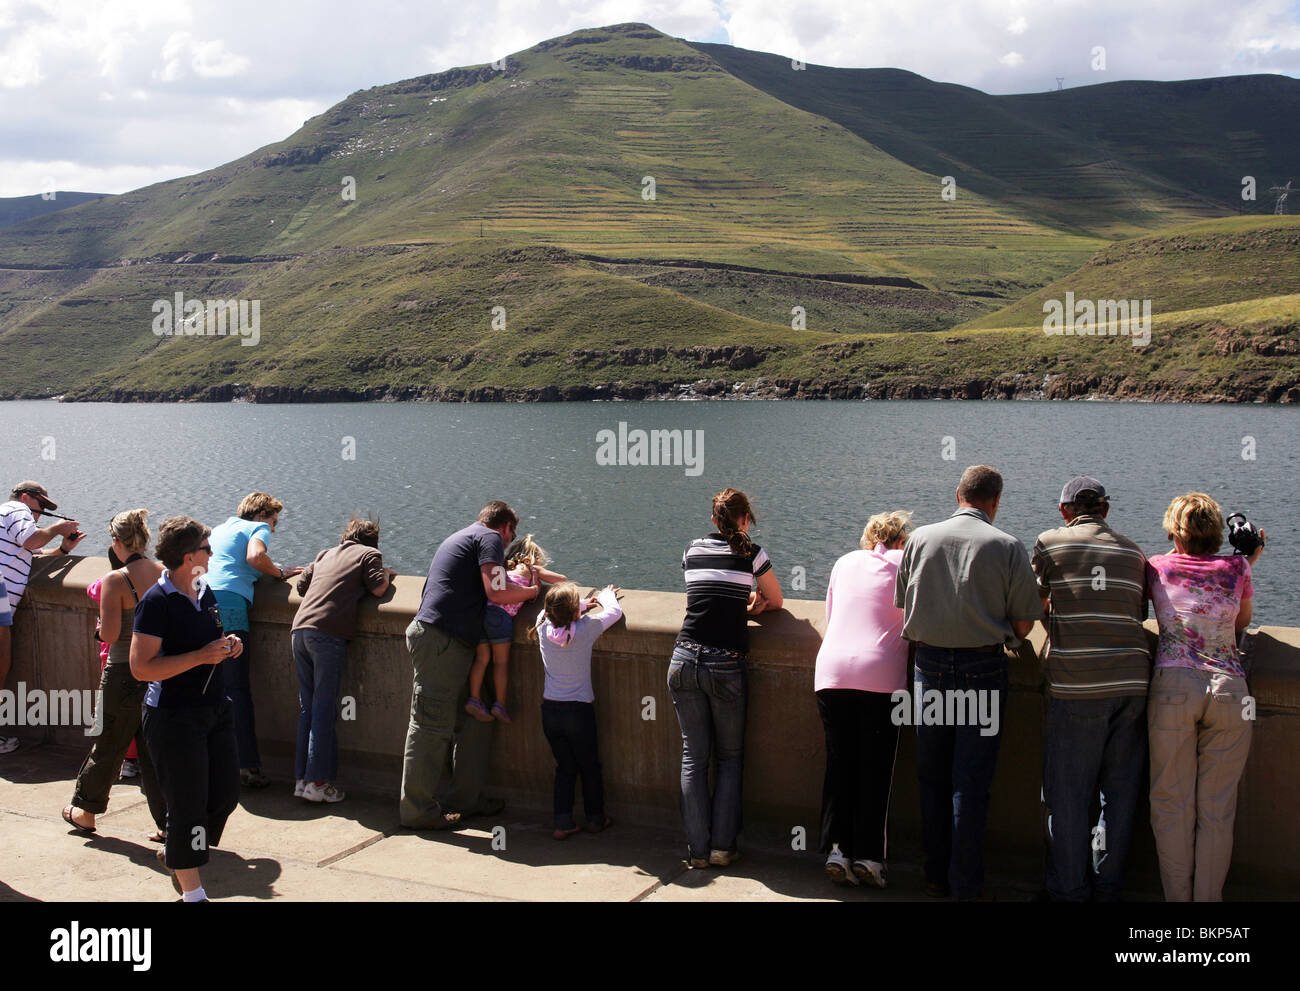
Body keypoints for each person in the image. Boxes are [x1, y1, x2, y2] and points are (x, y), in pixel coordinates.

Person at [894, 465, 1041, 900]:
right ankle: (966, 884)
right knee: (970, 784)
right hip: (983, 671)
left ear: (958, 494)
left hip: (930, 668)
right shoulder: (1008, 546)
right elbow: (1023, 621)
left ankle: (934, 874)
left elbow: (905, 603)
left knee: (932, 777)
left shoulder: (920, 538)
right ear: (995, 501)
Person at [1031, 476, 1151, 902]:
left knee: (1066, 793)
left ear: (1065, 510)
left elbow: (1033, 606)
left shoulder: (1049, 542)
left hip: (1075, 684)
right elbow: (1137, 612)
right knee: (1118, 794)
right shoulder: (1135, 551)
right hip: (1133, 683)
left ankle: (1069, 888)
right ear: (1106, 510)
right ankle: (1108, 885)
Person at [1147, 492, 1263, 902]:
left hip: (1174, 687)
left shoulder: (1157, 567)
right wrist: (1251, 559)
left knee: (1170, 805)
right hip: (1230, 689)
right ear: (1217, 531)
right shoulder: (1237, 566)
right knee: (1217, 810)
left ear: (1173, 530)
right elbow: (1241, 623)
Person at [399, 501, 538, 830]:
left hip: (452, 642)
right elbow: (497, 589)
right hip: (441, 641)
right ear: (503, 527)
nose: (508, 544)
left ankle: (467, 799)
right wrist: (532, 591)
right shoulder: (488, 537)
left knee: (478, 717)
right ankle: (416, 810)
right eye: (510, 536)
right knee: (430, 725)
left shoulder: (460, 537)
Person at [670, 487, 783, 868]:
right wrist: (750, 603)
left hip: (683, 659)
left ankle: (696, 851)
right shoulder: (752, 553)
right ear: (745, 519)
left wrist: (737, 600)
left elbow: (703, 596)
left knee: (693, 757)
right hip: (725, 663)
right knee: (730, 758)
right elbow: (777, 601)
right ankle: (722, 847)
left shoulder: (691, 550)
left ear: (713, 520)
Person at [131, 516, 242, 902]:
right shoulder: (156, 603)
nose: (212, 554)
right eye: (206, 549)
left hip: (214, 708)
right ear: (187, 555)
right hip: (174, 716)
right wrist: (199, 657)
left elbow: (208, 642)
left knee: (226, 794)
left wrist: (226, 645)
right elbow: (141, 667)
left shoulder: (204, 590)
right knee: (187, 803)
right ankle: (192, 893)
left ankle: (177, 850)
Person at [814, 510, 913, 888]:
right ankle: (870, 858)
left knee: (840, 765)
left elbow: (832, 614)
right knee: (876, 769)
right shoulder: (907, 562)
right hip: (881, 679)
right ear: (902, 540)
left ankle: (838, 850)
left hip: (832, 673)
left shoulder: (844, 562)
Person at [62, 511, 168, 840]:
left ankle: (86, 813)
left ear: (118, 542)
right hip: (157, 673)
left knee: (108, 744)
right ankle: (170, 824)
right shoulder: (164, 573)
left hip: (123, 671)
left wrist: (98, 631)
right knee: (155, 752)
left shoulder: (116, 580)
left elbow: (108, 635)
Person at [291, 516, 395, 803]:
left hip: (299, 632)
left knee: (307, 709)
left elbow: (301, 587)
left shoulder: (325, 554)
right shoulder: (370, 554)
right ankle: (319, 783)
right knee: (324, 710)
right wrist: (386, 573)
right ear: (373, 539)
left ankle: (301, 780)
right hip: (327, 634)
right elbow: (378, 589)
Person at [206, 492, 302, 788]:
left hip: (203, 602)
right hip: (231, 608)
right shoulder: (254, 529)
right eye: (273, 522)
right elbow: (255, 557)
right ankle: (247, 767)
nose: (273, 529)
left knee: (208, 686)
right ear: (261, 514)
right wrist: (279, 572)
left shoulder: (220, 528)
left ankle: (209, 764)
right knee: (236, 689)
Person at [530, 582, 623, 839]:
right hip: (578, 712)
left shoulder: (542, 626)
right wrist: (604, 597)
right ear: (574, 613)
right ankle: (596, 818)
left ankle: (562, 822)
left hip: (550, 710)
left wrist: (579, 606)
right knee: (589, 766)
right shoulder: (586, 628)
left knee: (565, 767)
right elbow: (614, 613)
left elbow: (550, 611)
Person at [0, 482, 84, 754]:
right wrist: (57, 528)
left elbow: (33, 552)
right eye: (41, 508)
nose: (39, 515)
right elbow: (32, 540)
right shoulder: (16, 509)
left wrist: (63, 549)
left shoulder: (14, 518)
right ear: (26, 497)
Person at [466, 534, 566, 725]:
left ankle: (474, 699)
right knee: (501, 662)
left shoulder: (501, 567)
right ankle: (499, 705)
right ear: (533, 556)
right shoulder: (529, 568)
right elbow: (561, 580)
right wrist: (537, 579)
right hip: (500, 617)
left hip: (480, 614)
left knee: (482, 658)